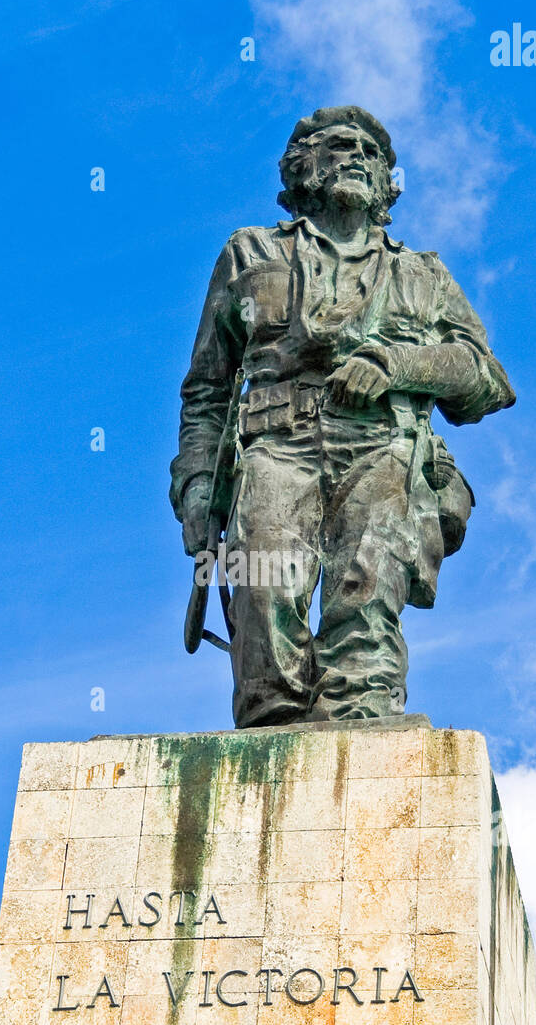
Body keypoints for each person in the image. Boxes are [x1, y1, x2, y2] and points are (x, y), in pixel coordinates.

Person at [170, 105, 515, 728]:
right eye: (337, 146)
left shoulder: (422, 274)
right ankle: (270, 739)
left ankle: (361, 734)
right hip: (276, 443)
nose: (355, 156)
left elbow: (486, 379)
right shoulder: (248, 254)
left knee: (367, 594)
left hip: (383, 447)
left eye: (370, 151)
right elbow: (207, 390)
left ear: (388, 181)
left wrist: (398, 365)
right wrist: (196, 487)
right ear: (303, 168)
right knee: (265, 589)